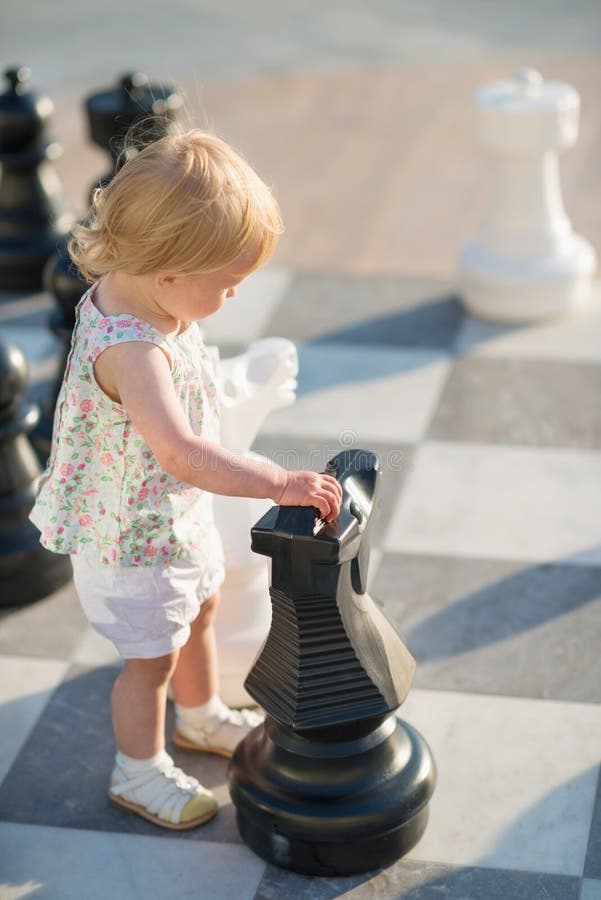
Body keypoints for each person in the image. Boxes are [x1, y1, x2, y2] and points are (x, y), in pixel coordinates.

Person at [29, 129, 342, 831]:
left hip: (168, 521)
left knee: (198, 613)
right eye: (227, 284)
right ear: (166, 271)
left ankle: (199, 719)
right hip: (131, 541)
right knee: (149, 664)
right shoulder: (134, 350)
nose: (233, 296)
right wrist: (276, 480)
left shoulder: (151, 295)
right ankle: (136, 772)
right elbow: (178, 451)